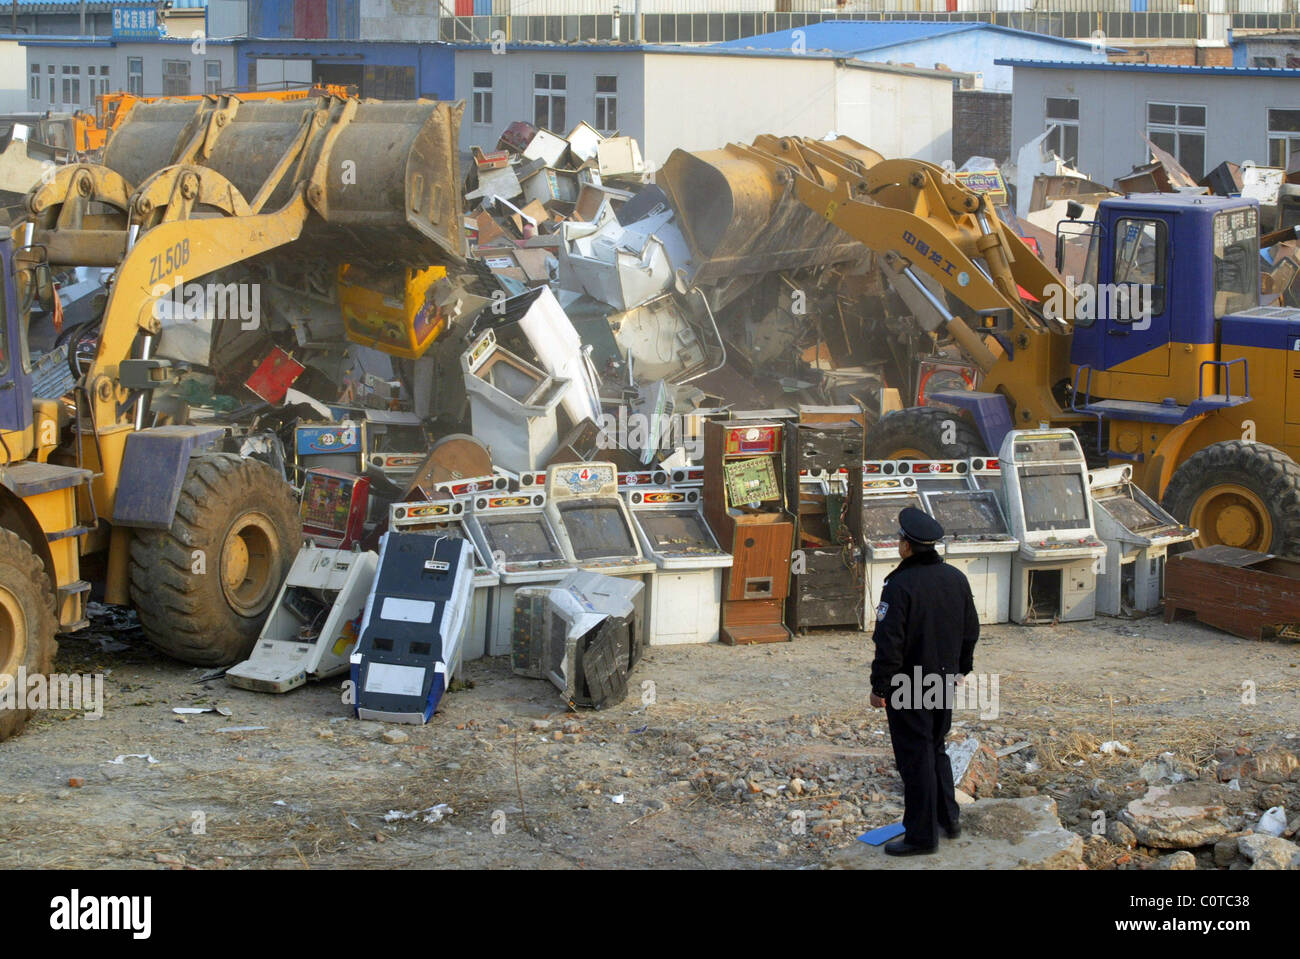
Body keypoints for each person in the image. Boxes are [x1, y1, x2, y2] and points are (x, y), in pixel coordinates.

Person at [869, 506, 979, 856]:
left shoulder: (899, 585)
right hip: (943, 680)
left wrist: (879, 686)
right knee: (935, 747)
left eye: (900, 538)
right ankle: (949, 818)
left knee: (915, 758)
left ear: (908, 545)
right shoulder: (955, 578)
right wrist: (962, 668)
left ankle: (920, 836)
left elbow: (890, 643)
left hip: (908, 685)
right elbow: (970, 630)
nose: (898, 543)